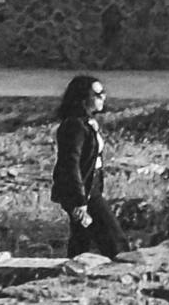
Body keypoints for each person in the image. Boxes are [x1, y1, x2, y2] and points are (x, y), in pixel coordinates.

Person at [49, 75, 121, 260]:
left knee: (82, 238)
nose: (103, 97)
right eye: (97, 93)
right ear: (83, 98)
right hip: (82, 191)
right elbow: (70, 164)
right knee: (114, 239)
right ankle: (125, 271)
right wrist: (80, 199)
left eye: (103, 92)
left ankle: (72, 276)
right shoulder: (74, 125)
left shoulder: (86, 123)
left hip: (90, 187)